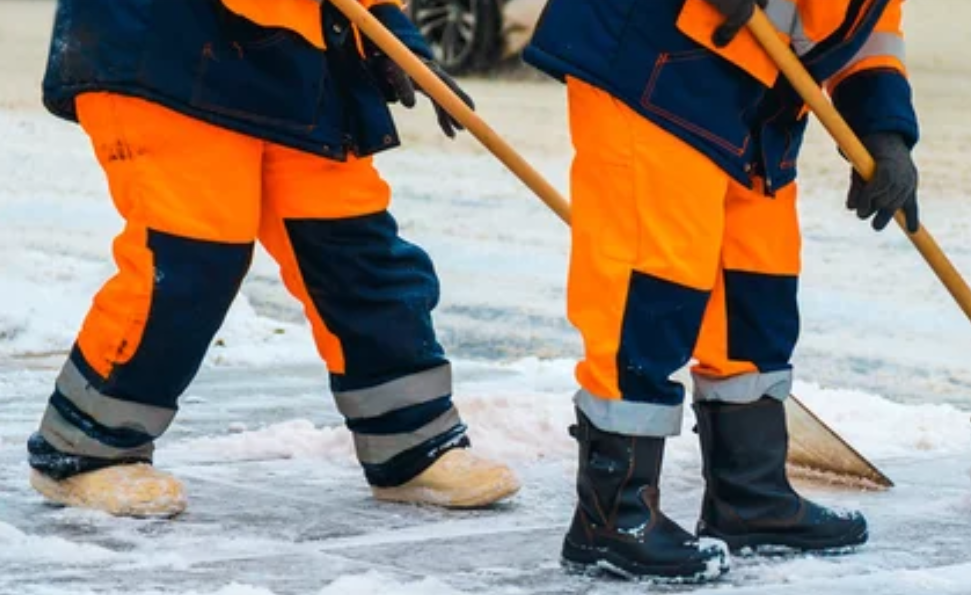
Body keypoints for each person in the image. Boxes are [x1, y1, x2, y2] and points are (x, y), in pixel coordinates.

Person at [26, 0, 520, 518]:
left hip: (300, 59)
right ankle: (87, 447)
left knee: (353, 247)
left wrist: (389, 32)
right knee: (191, 257)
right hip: (168, 43)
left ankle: (413, 442)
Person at [524, 0, 919, 582]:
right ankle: (612, 517)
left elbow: (866, 28)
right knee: (650, 285)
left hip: (757, 97)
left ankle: (750, 500)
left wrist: (885, 132)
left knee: (757, 287)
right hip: (653, 58)